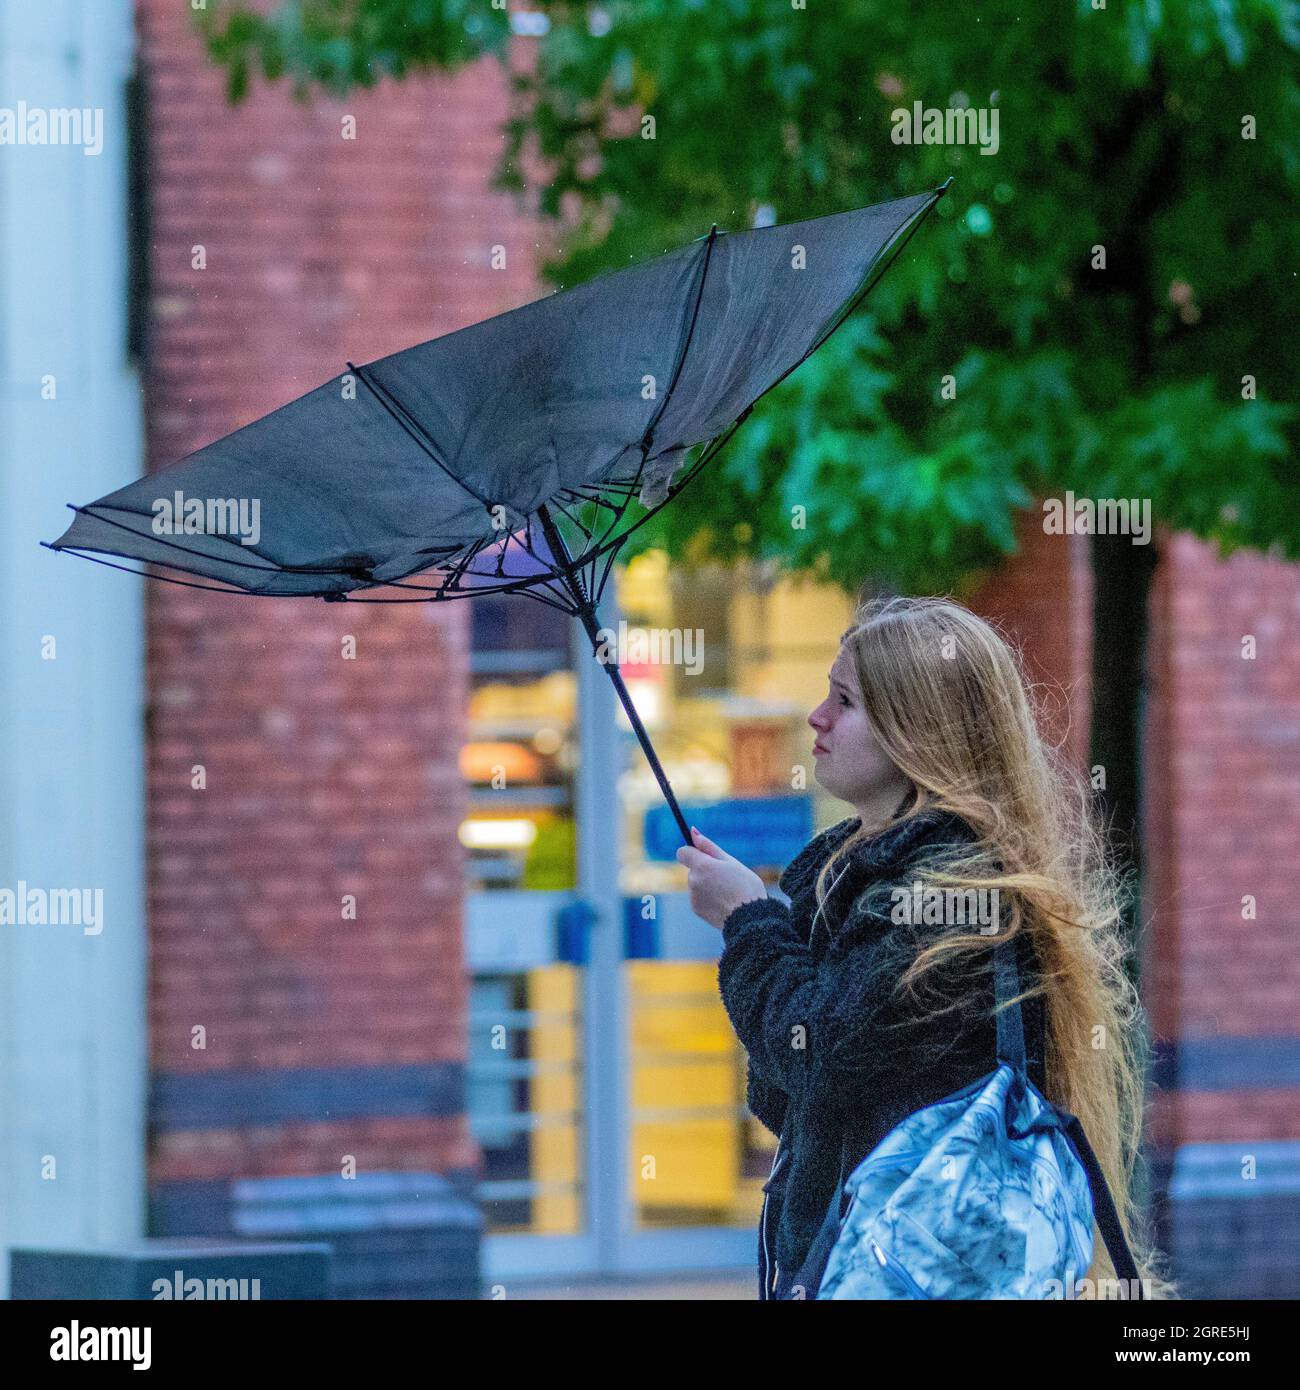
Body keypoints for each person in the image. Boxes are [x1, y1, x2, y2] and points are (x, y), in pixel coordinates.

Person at [677, 593, 1173, 1299]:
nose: (816, 718)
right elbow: (791, 1099)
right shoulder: (849, 879)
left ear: (918, 730)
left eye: (844, 701)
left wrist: (749, 922)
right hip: (851, 1262)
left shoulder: (957, 890)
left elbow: (818, 1054)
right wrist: (772, 929)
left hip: (914, 1269)